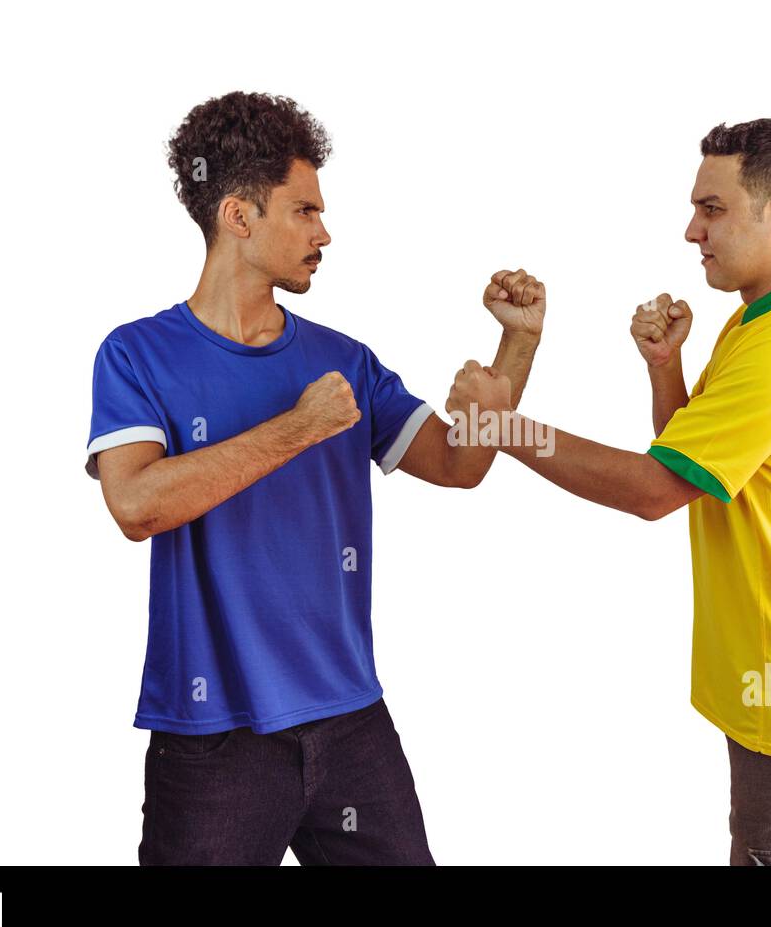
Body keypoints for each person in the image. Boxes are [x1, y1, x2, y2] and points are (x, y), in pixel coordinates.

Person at [84, 91, 541, 865]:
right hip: (213, 742)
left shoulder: (346, 361)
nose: (324, 233)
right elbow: (135, 505)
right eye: (303, 211)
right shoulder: (136, 355)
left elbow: (460, 465)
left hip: (352, 723)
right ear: (238, 216)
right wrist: (298, 428)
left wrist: (516, 349)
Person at [447, 119, 771, 865]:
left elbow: (654, 491)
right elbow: (700, 468)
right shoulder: (760, 324)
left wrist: (505, 428)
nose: (693, 229)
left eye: (713, 208)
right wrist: (667, 368)